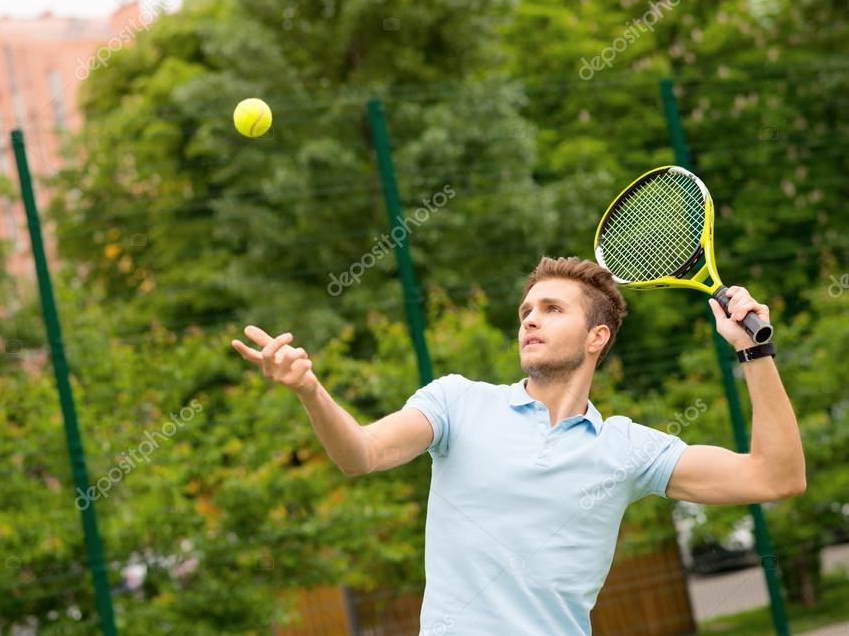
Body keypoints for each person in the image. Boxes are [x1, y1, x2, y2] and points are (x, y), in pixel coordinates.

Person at [230, 256, 806, 635]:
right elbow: (362, 453)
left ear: (596, 337)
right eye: (526, 310)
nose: (530, 320)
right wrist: (310, 389)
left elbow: (775, 477)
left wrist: (754, 352)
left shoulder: (626, 449)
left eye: (553, 310)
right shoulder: (457, 402)